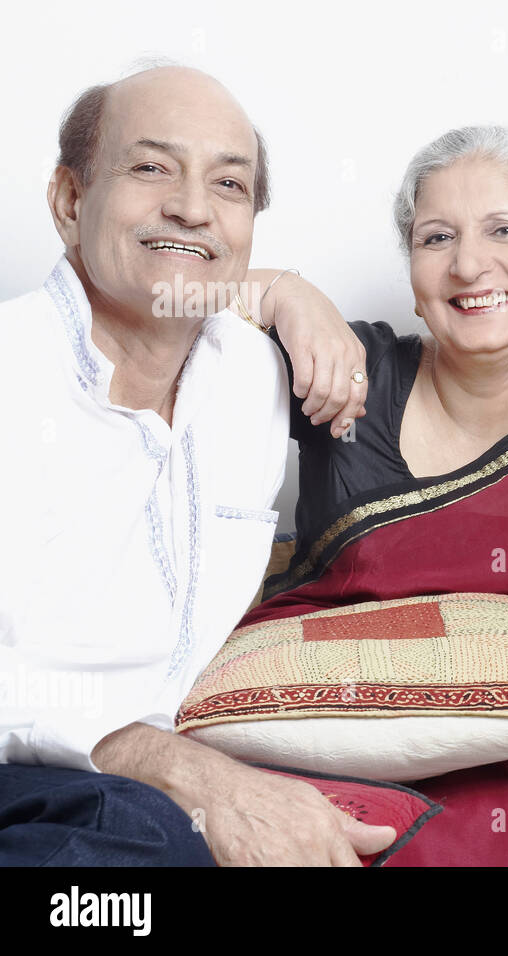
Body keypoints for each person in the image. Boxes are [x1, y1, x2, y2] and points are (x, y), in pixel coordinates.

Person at [236, 126, 508, 865]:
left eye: (505, 229)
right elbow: (141, 300)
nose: (469, 265)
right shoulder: (345, 367)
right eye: (436, 238)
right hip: (295, 742)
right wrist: (283, 292)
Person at [0, 65, 390, 866]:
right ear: (70, 201)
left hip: (136, 797)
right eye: (151, 168)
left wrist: (288, 290)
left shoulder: (257, 376)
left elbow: (184, 272)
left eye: (230, 184)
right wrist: (170, 766)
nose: (192, 205)